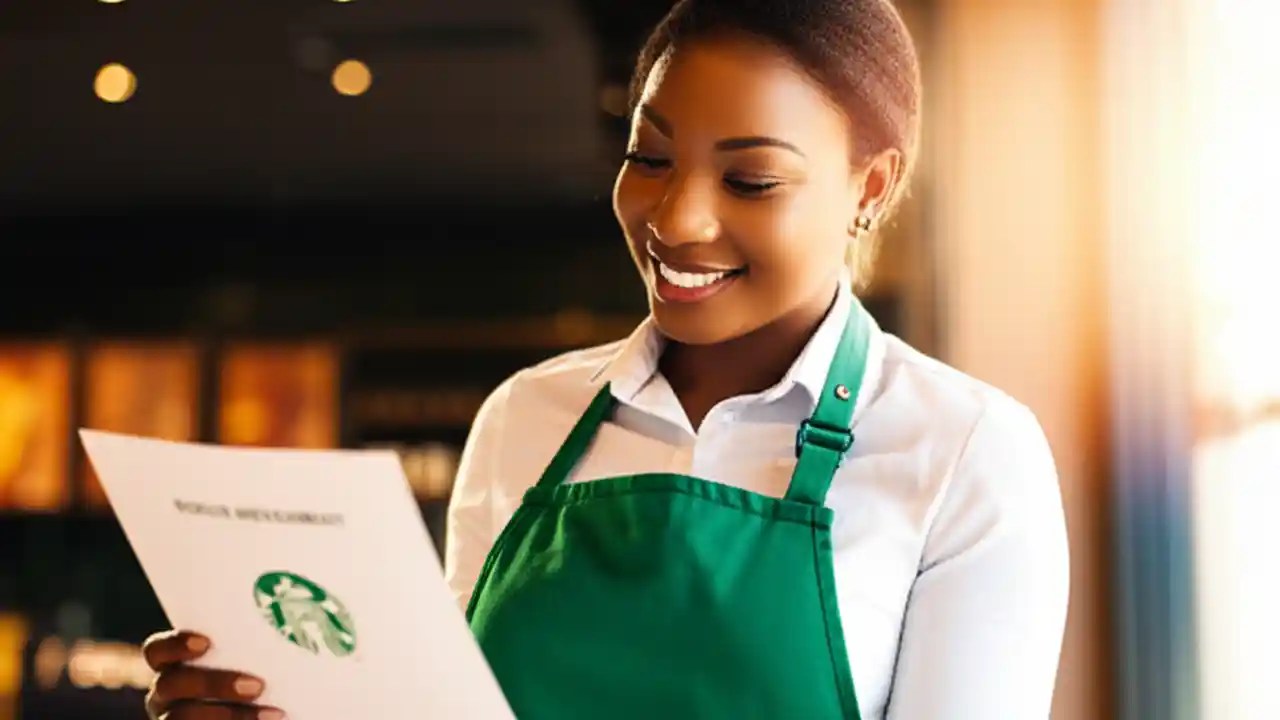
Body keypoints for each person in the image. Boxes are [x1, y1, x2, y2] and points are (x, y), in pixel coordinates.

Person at [140, 0, 1070, 717]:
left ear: (871, 185)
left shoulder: (965, 452)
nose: (676, 220)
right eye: (650, 157)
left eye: (749, 179)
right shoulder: (523, 420)